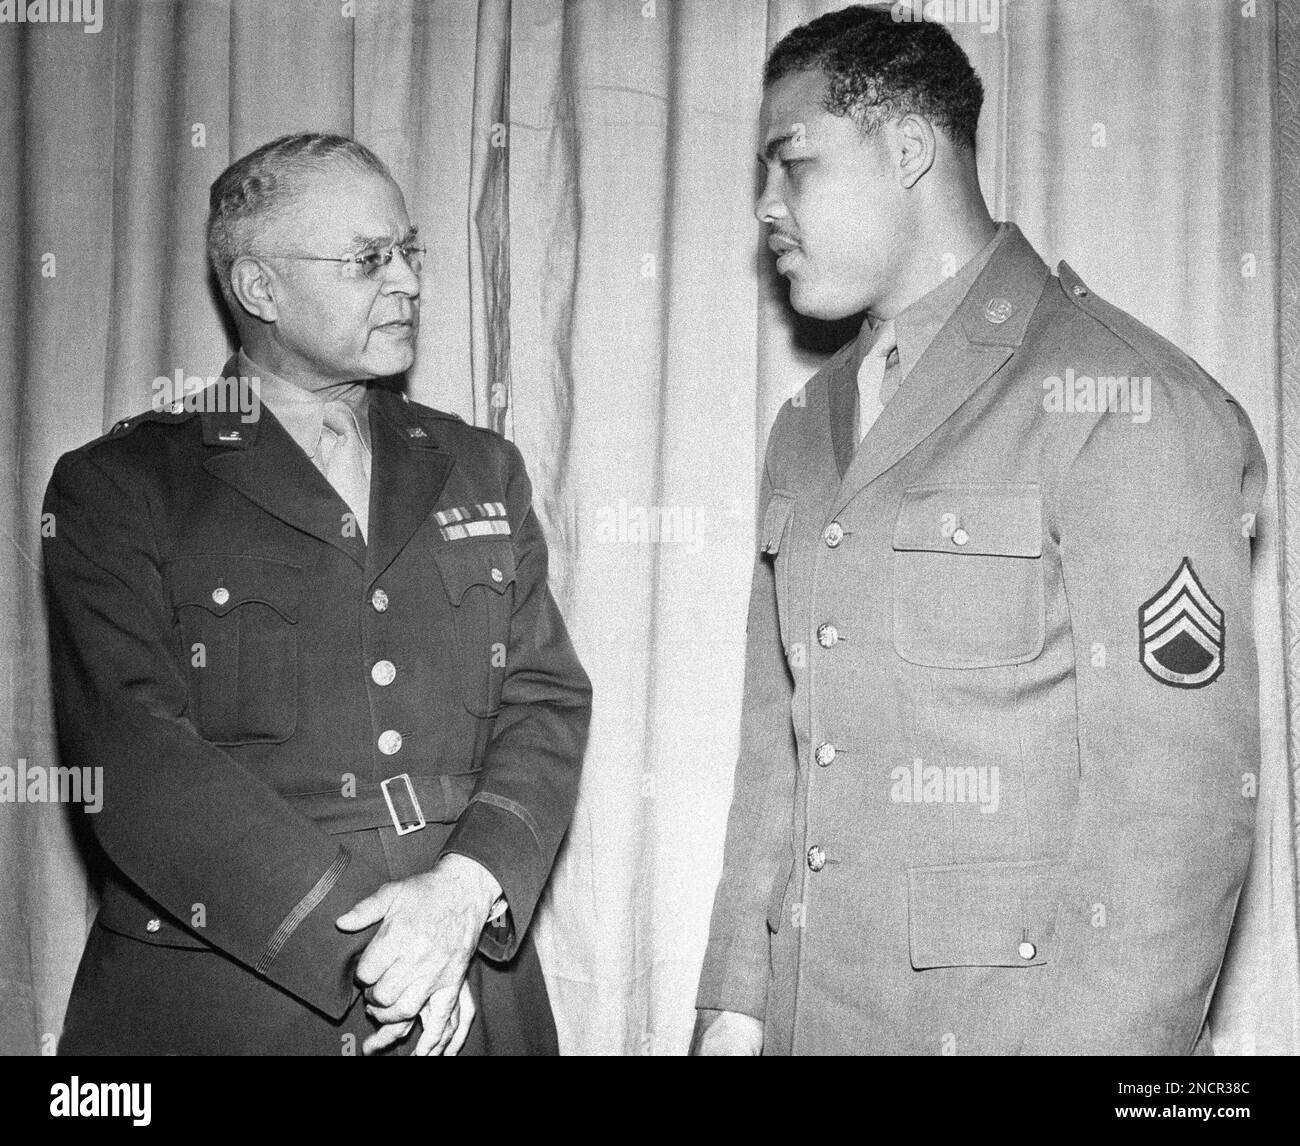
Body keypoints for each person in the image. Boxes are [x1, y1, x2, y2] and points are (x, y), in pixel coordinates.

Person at [694, 6, 1266, 1055]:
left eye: (793, 164)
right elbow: (778, 763)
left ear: (908, 148)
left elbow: (1175, 825)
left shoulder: (1121, 399)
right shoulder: (807, 427)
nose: (767, 209)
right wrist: (733, 1005)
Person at [44, 132, 591, 1055]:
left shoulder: (478, 466)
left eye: (409, 252)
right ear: (260, 289)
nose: (410, 282)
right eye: (369, 259)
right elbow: (134, 763)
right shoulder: (123, 486)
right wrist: (384, 955)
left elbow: (545, 698)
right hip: (233, 999)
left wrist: (463, 892)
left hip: (467, 982)